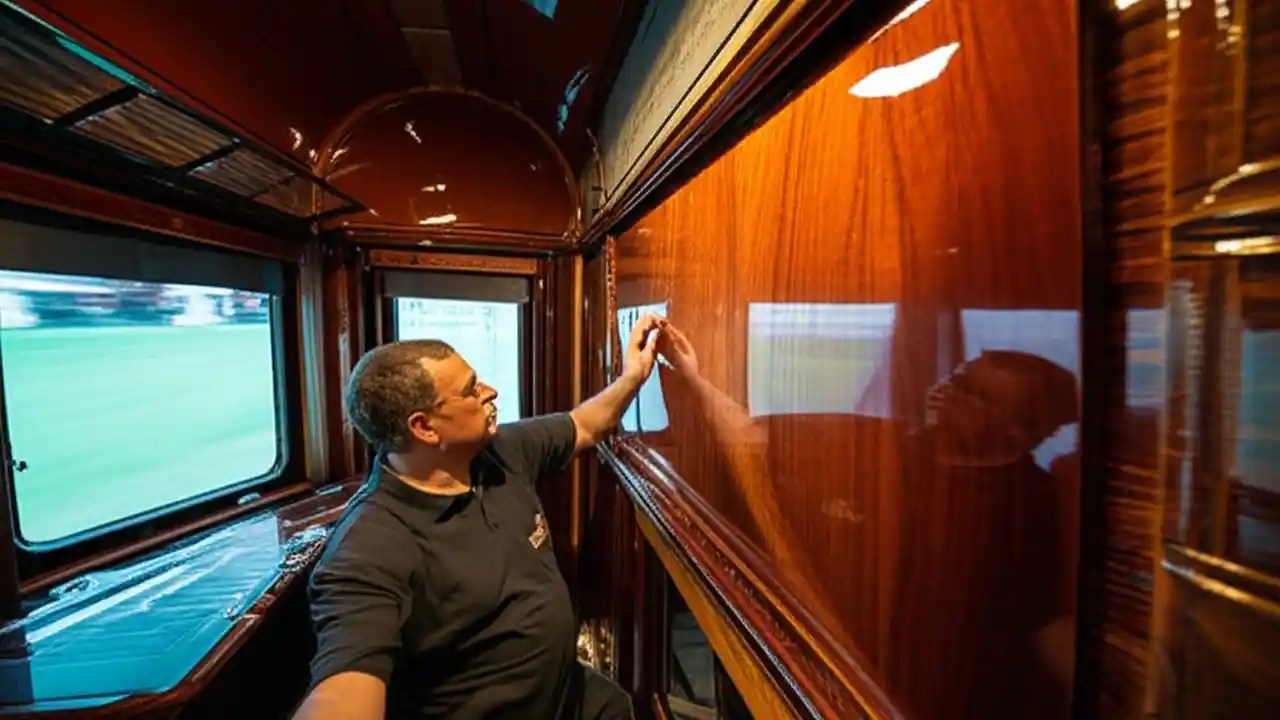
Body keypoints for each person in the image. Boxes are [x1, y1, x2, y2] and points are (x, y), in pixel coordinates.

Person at [292, 314, 666, 720]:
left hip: (570, 697)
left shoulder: (500, 451)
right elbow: (343, 688)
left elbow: (584, 425)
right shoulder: (369, 546)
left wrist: (634, 375)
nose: (490, 391)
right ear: (424, 427)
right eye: (471, 389)